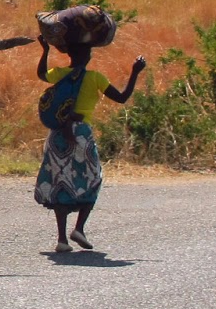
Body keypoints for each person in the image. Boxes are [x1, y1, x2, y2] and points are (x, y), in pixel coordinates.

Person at [35, 39, 146, 252]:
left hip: (57, 134)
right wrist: (135, 72)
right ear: (88, 57)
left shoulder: (60, 73)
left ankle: (61, 239)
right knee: (93, 178)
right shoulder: (95, 78)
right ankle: (79, 228)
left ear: (69, 55)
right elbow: (122, 98)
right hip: (80, 135)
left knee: (60, 180)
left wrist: (45, 50)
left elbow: (41, 74)